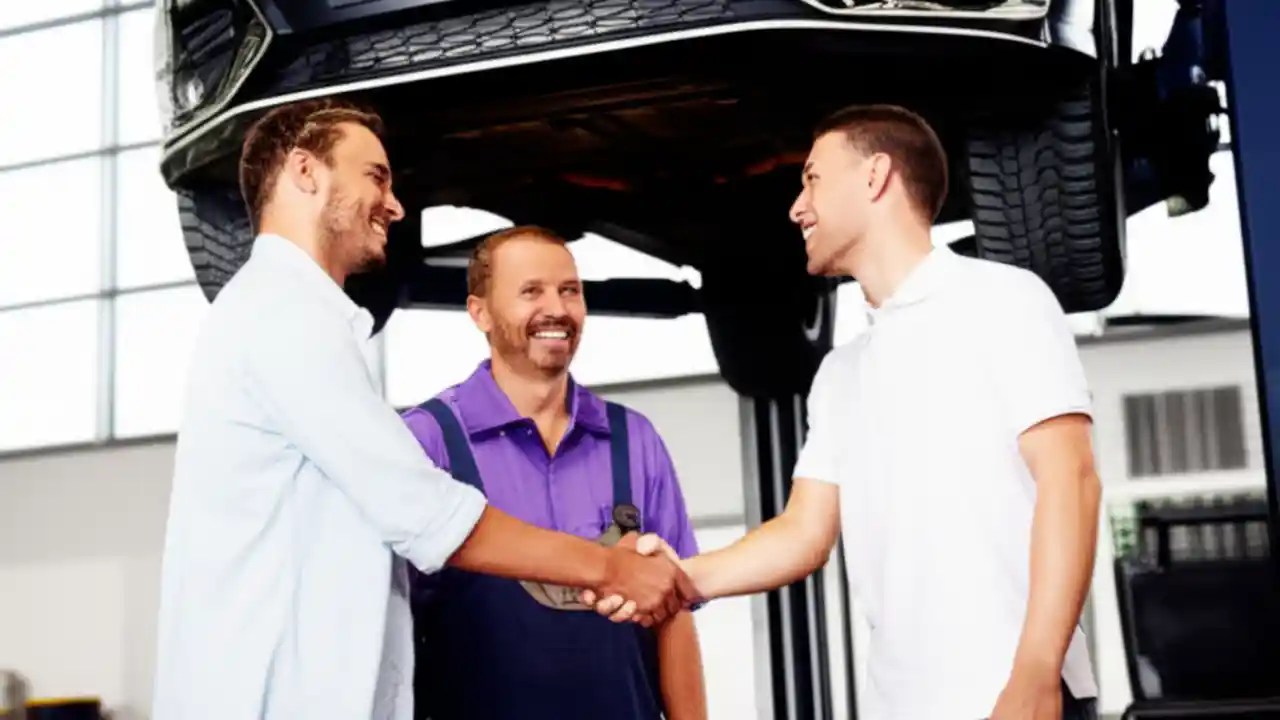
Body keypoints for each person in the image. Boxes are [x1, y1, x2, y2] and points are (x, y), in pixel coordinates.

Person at [150, 98, 695, 720]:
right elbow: (425, 512)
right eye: (375, 177)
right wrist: (609, 568)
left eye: (570, 289)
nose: (395, 204)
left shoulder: (291, 317)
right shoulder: (283, 317)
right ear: (305, 171)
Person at [599, 105, 1103, 720]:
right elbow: (804, 533)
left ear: (875, 176)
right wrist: (681, 578)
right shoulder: (842, 371)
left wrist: (1035, 671)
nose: (796, 207)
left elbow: (1070, 481)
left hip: (1014, 697)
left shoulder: (1004, 300)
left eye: (812, 179)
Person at [399, 225, 707, 720]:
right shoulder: (427, 442)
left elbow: (675, 616)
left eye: (570, 291)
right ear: (479, 312)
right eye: (531, 292)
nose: (557, 309)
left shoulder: (635, 441)